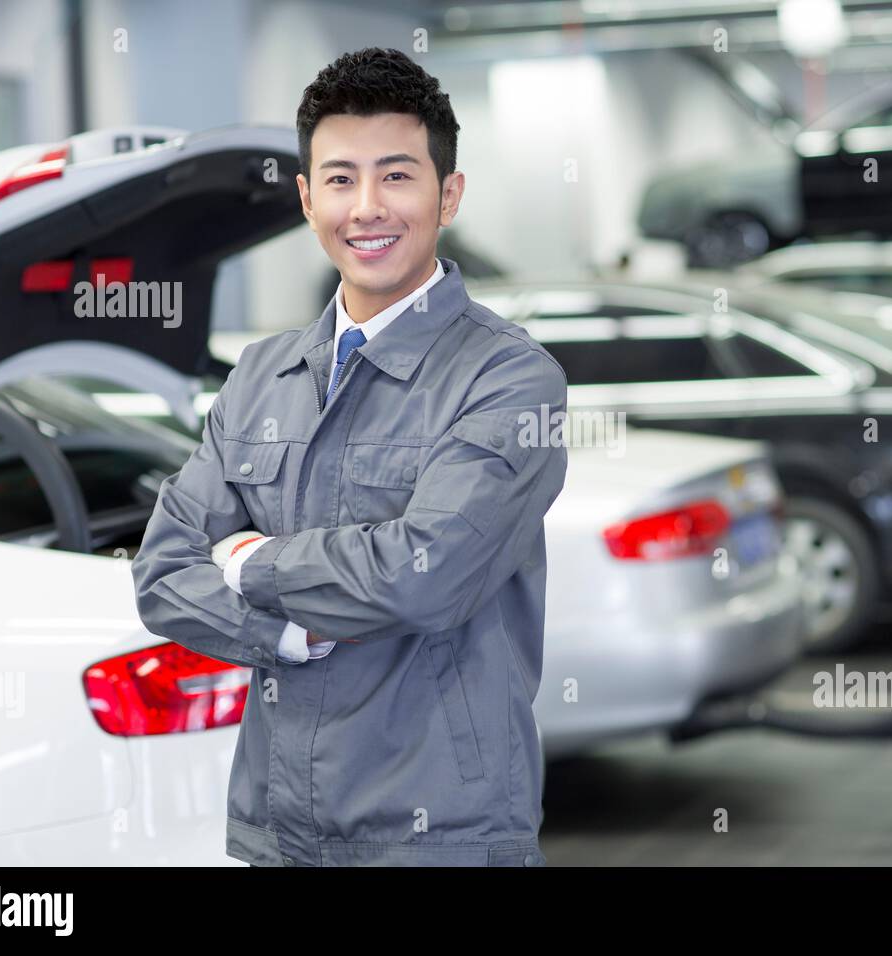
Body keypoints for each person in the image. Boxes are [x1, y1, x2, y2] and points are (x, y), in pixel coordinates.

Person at [131, 48, 568, 867]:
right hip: (278, 829)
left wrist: (255, 565)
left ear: (450, 194)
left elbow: (425, 572)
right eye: (339, 180)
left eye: (397, 176)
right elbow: (162, 575)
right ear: (306, 198)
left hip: (442, 835)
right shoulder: (264, 374)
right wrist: (289, 635)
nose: (367, 208)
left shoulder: (509, 379)